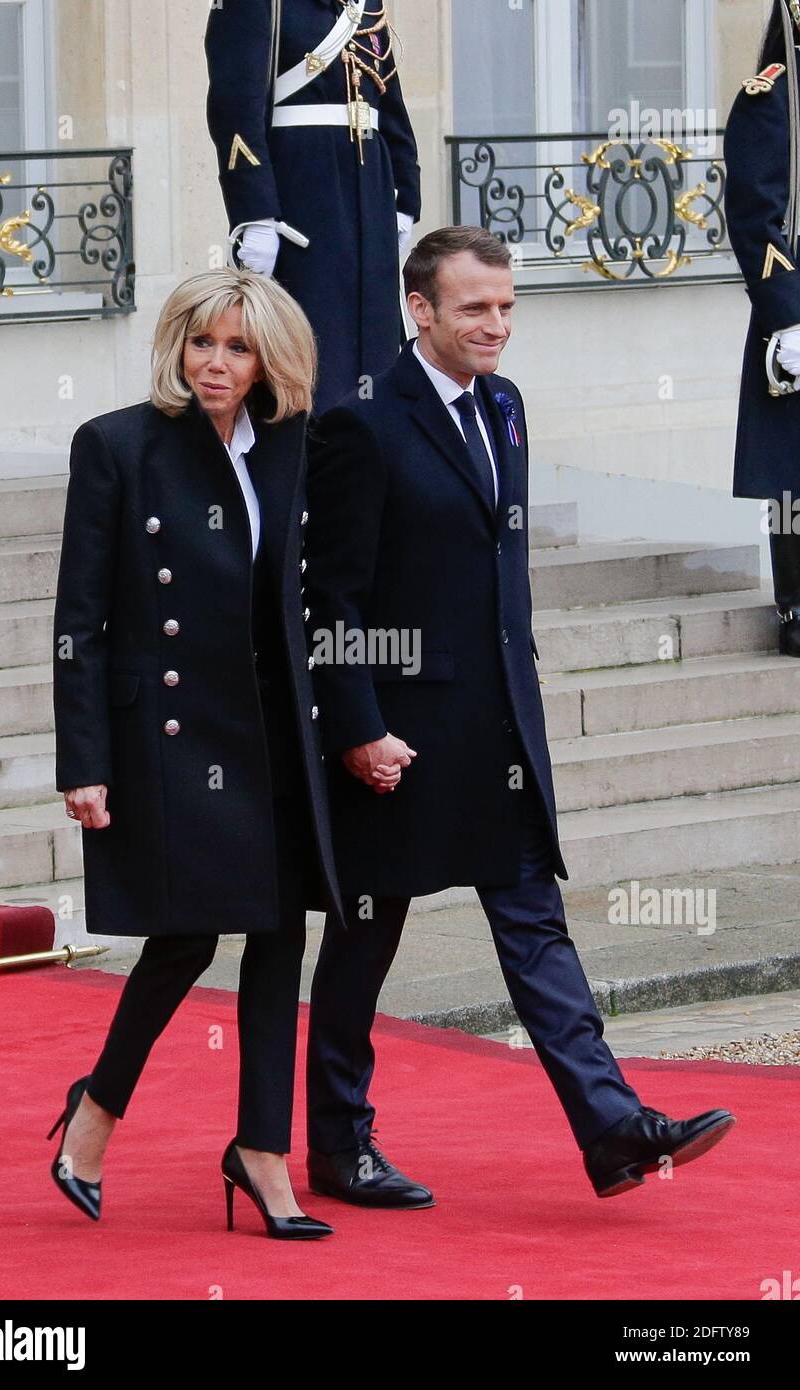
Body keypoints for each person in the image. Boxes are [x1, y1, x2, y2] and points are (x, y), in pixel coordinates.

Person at [302, 226, 736, 1205]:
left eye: (505, 307)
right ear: (420, 311)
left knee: (534, 923)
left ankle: (611, 1127)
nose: (495, 325)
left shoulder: (505, 407)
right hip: (397, 739)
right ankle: (337, 1141)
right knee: (363, 937)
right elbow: (330, 599)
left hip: (496, 728)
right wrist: (359, 728)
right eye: (473, 309)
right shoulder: (360, 424)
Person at [49, 269, 344, 1240]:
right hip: (168, 733)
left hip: (269, 726)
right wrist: (83, 760)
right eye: (201, 343)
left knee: (276, 931)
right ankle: (97, 1110)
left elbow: (313, 596)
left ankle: (261, 1146)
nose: (214, 364)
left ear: (270, 359)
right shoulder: (117, 446)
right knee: (182, 936)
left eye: (237, 347)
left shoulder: (291, 446)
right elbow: (80, 621)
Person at [204, 0, 421, 413]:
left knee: (375, 341)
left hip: (369, 188)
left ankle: (369, 447)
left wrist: (406, 195)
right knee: (310, 340)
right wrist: (255, 212)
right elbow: (234, 104)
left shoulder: (364, 5)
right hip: (302, 186)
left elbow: (389, 103)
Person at [724, 0, 800, 655]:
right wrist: (788, 314)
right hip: (798, 305)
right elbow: (756, 217)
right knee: (794, 470)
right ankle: (797, 606)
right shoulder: (772, 95)